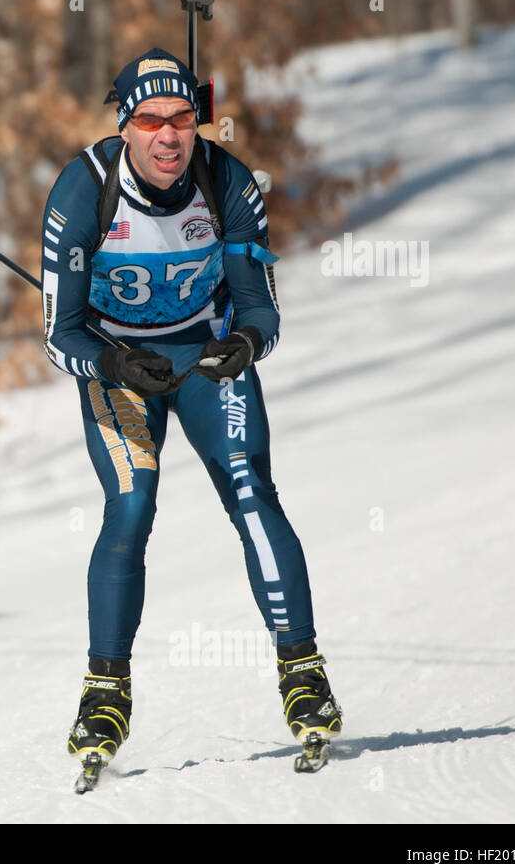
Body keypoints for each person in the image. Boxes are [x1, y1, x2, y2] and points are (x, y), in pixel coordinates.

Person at [40, 48, 342, 767]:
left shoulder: (227, 179)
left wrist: (243, 343)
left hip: (205, 360)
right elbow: (60, 333)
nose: (169, 136)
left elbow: (261, 309)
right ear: (126, 128)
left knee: (251, 490)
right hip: (120, 371)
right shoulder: (82, 193)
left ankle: (303, 672)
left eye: (183, 118)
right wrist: (113, 360)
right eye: (151, 121)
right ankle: (104, 690)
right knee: (131, 504)